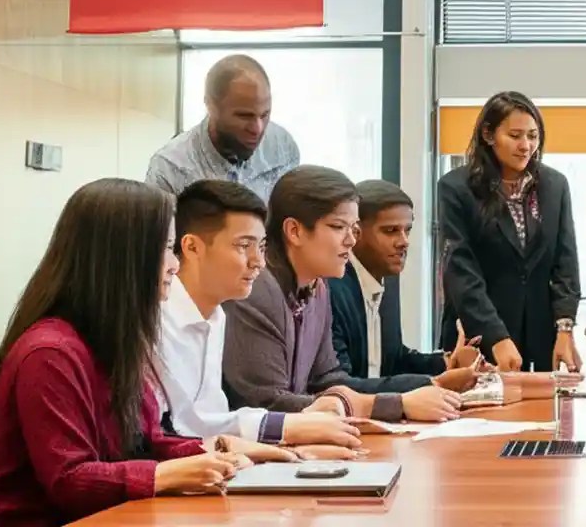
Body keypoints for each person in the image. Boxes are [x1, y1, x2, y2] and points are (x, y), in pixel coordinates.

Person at [0, 179, 290, 526]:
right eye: (167, 249)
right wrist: (168, 474)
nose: (174, 264)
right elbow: (69, 480)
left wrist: (220, 451)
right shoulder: (49, 353)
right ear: (124, 258)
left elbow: (147, 442)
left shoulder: (112, 341)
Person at [223, 165, 465, 423]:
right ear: (294, 231)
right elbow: (269, 403)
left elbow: (326, 380)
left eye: (354, 229)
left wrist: (422, 387)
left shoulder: (318, 288)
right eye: (339, 227)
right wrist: (397, 404)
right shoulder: (256, 290)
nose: (351, 240)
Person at [157, 180, 367, 460]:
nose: (258, 261)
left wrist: (291, 437)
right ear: (192, 247)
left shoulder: (216, 315)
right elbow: (183, 430)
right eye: (244, 246)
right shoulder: (158, 321)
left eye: (262, 246)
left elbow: (215, 419)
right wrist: (289, 433)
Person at [437, 91, 582, 373]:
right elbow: (460, 270)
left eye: (533, 136)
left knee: (544, 415)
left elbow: (565, 262)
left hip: (541, 337)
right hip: (477, 337)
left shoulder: (554, 185)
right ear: (489, 135)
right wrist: (496, 336)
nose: (525, 145)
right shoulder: (456, 188)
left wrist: (565, 328)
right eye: (515, 136)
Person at [329, 179, 481, 387]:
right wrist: (433, 383)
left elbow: (393, 359)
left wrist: (446, 362)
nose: (404, 242)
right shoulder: (331, 288)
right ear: (356, 233)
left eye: (407, 230)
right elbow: (340, 385)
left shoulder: (387, 280)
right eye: (390, 231)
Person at [146, 54, 300, 202]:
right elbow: (157, 229)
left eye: (265, 114)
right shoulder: (170, 167)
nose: (257, 129)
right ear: (210, 106)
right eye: (244, 116)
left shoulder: (282, 146)